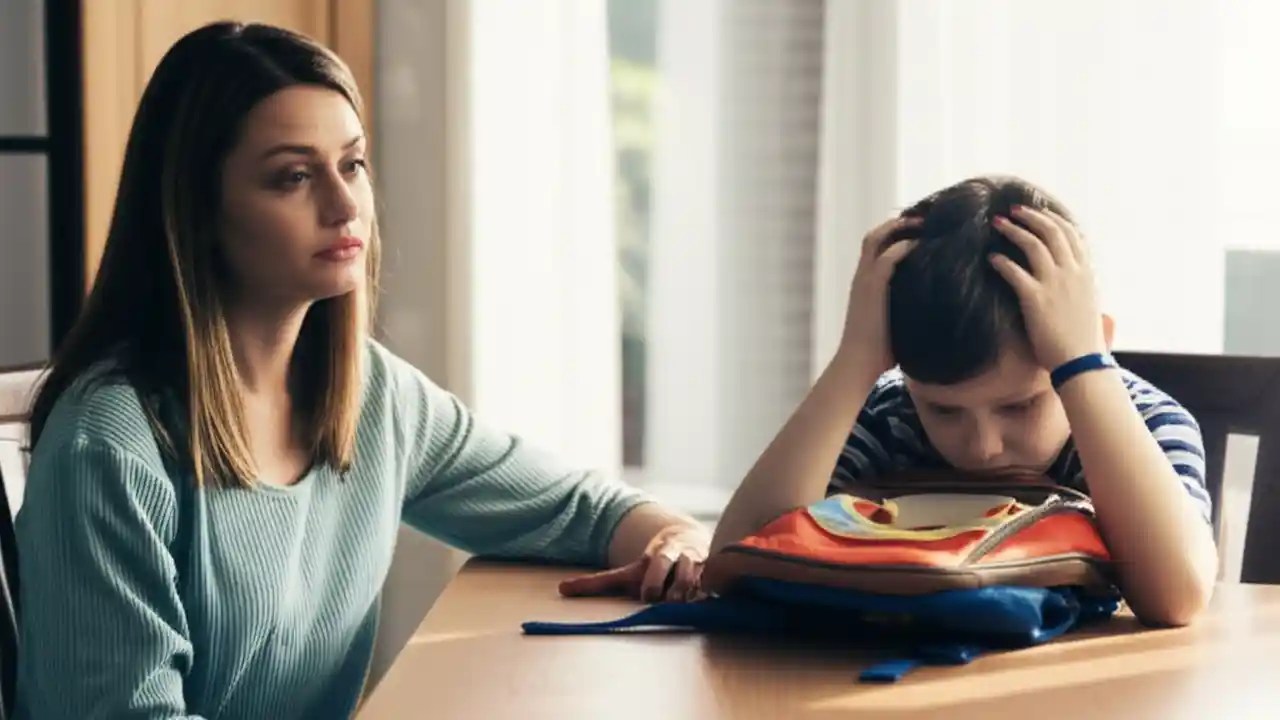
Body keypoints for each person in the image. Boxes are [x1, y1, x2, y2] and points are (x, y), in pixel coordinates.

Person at [15, 22, 707, 719]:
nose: (345, 206)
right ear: (196, 213)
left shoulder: (371, 397)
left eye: (352, 164)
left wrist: (674, 541)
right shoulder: (107, 448)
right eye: (293, 176)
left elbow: (581, 510)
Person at [711, 176, 1217, 628]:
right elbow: (737, 564)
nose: (983, 447)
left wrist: (1083, 363)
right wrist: (855, 361)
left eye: (1019, 407)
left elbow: (1178, 597)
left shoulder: (1149, 423)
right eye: (944, 410)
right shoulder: (891, 420)